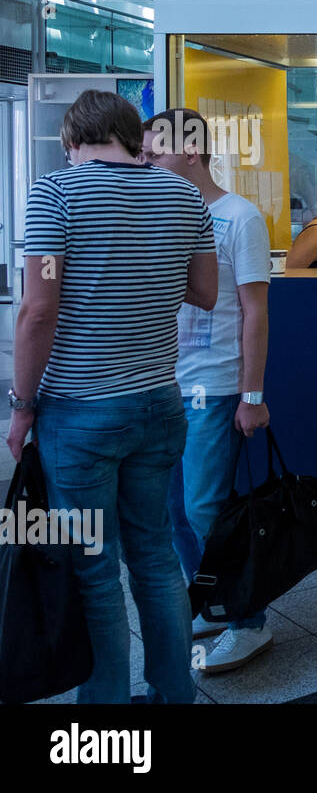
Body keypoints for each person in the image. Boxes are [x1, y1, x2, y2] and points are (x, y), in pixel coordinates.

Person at [6, 89, 217, 703]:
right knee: (153, 556)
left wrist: (21, 406)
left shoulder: (55, 192)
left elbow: (38, 312)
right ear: (135, 137)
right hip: (159, 402)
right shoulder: (182, 195)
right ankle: (176, 695)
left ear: (73, 139)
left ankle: (106, 718)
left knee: (94, 568)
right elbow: (204, 292)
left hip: (81, 413)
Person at [141, 109, 275, 673]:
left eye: (153, 152)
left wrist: (251, 396)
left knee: (205, 509)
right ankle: (216, 603)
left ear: (190, 152)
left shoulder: (240, 218)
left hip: (215, 390)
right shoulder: (163, 214)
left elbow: (255, 312)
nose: (145, 161)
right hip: (163, 388)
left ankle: (251, 622)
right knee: (172, 509)